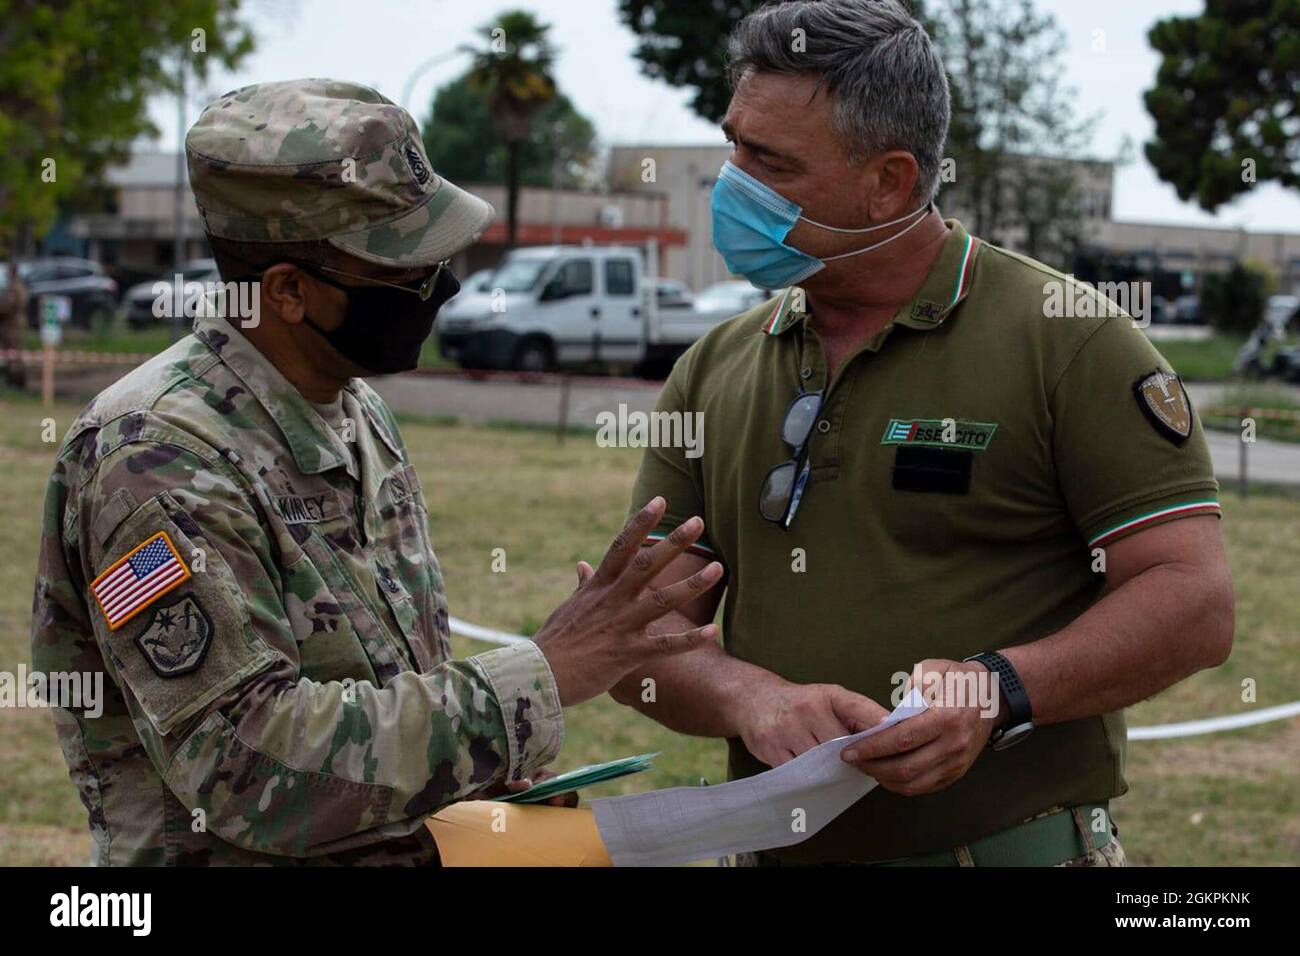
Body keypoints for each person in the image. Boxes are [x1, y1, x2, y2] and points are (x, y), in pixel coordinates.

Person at [30, 78, 723, 866]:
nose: (444, 289)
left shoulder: (353, 409)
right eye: (407, 273)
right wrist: (536, 678)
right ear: (289, 292)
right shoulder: (152, 458)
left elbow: (385, 687)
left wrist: (488, 791)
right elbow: (247, 769)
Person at [611, 0, 1234, 867]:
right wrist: (746, 696)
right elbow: (639, 642)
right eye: (734, 145)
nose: (732, 182)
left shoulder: (1067, 339)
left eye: (769, 161)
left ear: (889, 182)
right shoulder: (713, 367)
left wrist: (1001, 691)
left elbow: (1194, 602)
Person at [0, 260, 28, 388]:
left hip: (12, 325)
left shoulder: (14, 287)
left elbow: (8, 306)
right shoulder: (18, 285)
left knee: (13, 353)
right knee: (13, 353)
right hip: (14, 324)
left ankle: (15, 381)